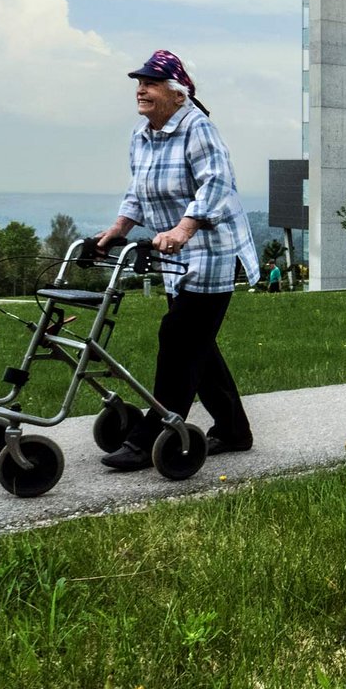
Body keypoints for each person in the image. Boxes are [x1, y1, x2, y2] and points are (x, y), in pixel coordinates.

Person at [96, 50, 260, 471]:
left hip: (211, 251)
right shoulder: (142, 134)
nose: (141, 90)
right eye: (139, 83)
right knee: (196, 345)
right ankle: (234, 430)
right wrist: (118, 228)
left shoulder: (197, 128)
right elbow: (138, 189)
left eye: (150, 83)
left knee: (178, 338)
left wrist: (185, 229)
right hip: (174, 255)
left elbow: (217, 183)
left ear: (176, 93)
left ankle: (156, 432)